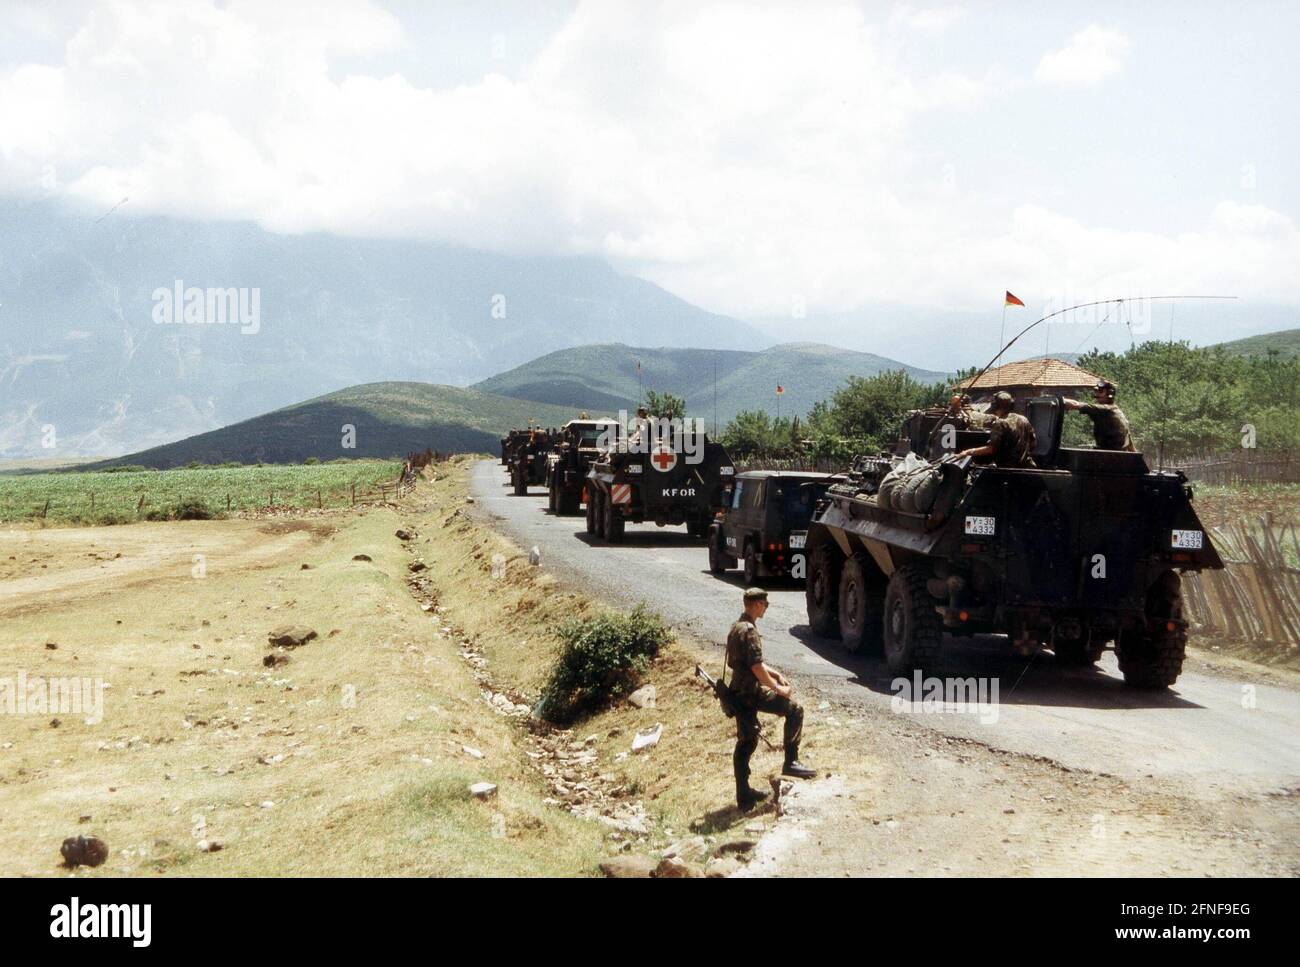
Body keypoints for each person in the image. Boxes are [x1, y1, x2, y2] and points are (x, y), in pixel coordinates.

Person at [726, 587, 815, 811]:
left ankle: (744, 795)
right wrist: (778, 688)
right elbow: (756, 667)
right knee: (795, 710)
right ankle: (791, 762)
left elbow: (752, 662)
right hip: (751, 690)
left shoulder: (736, 627)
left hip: (738, 690)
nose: (766, 608)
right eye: (765, 604)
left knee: (747, 741)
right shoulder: (750, 631)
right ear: (756, 605)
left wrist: (775, 672)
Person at [955, 391, 1037, 468]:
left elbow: (991, 449)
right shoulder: (1024, 419)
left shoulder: (1000, 423)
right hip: (1027, 467)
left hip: (1007, 469)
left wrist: (967, 452)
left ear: (996, 405)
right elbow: (1033, 443)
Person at [1063, 380, 1136, 451]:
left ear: (1109, 394)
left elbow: (1075, 404)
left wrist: (1059, 399)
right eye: (1096, 391)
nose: (1096, 394)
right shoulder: (1117, 411)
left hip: (1108, 455)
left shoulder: (1104, 409)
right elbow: (1129, 442)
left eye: (1100, 391)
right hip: (1118, 455)